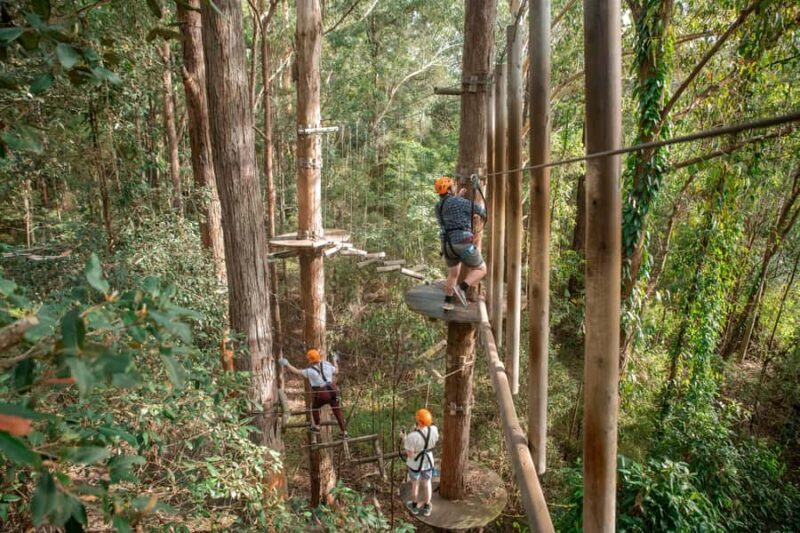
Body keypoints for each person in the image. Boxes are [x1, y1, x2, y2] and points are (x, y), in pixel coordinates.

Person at [433, 176, 487, 311]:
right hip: (462, 243)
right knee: (481, 269)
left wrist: (459, 198)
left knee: (453, 274)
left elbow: (450, 213)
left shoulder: (438, 206)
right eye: (453, 185)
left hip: (447, 245)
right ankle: (461, 288)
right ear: (450, 189)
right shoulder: (460, 202)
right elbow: (480, 210)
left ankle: (447, 302)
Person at [279, 349, 347, 437]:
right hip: (333, 390)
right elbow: (336, 371)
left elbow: (296, 371)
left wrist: (287, 364)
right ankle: (344, 432)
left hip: (322, 393)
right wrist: (334, 360)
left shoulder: (309, 371)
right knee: (337, 410)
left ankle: (317, 426)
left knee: (315, 407)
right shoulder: (326, 364)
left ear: (310, 360)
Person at [403, 408, 439, 517]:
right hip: (428, 461)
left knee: (415, 484)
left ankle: (414, 506)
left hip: (415, 464)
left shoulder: (411, 436)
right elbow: (434, 441)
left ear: (418, 421)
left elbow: (409, 454)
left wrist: (404, 438)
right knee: (427, 483)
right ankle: (427, 506)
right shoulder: (434, 429)